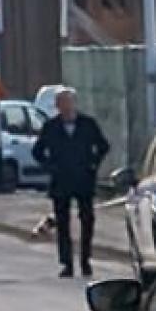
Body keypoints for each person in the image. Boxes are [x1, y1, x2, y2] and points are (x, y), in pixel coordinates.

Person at [33, 90, 114, 278]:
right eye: (62, 104)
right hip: (61, 180)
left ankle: (85, 260)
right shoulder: (51, 127)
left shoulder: (87, 124)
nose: (66, 107)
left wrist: (93, 164)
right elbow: (37, 151)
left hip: (83, 179)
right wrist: (50, 167)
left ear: (74, 104)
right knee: (62, 224)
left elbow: (103, 146)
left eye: (69, 103)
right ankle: (67, 263)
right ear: (57, 106)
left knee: (87, 220)